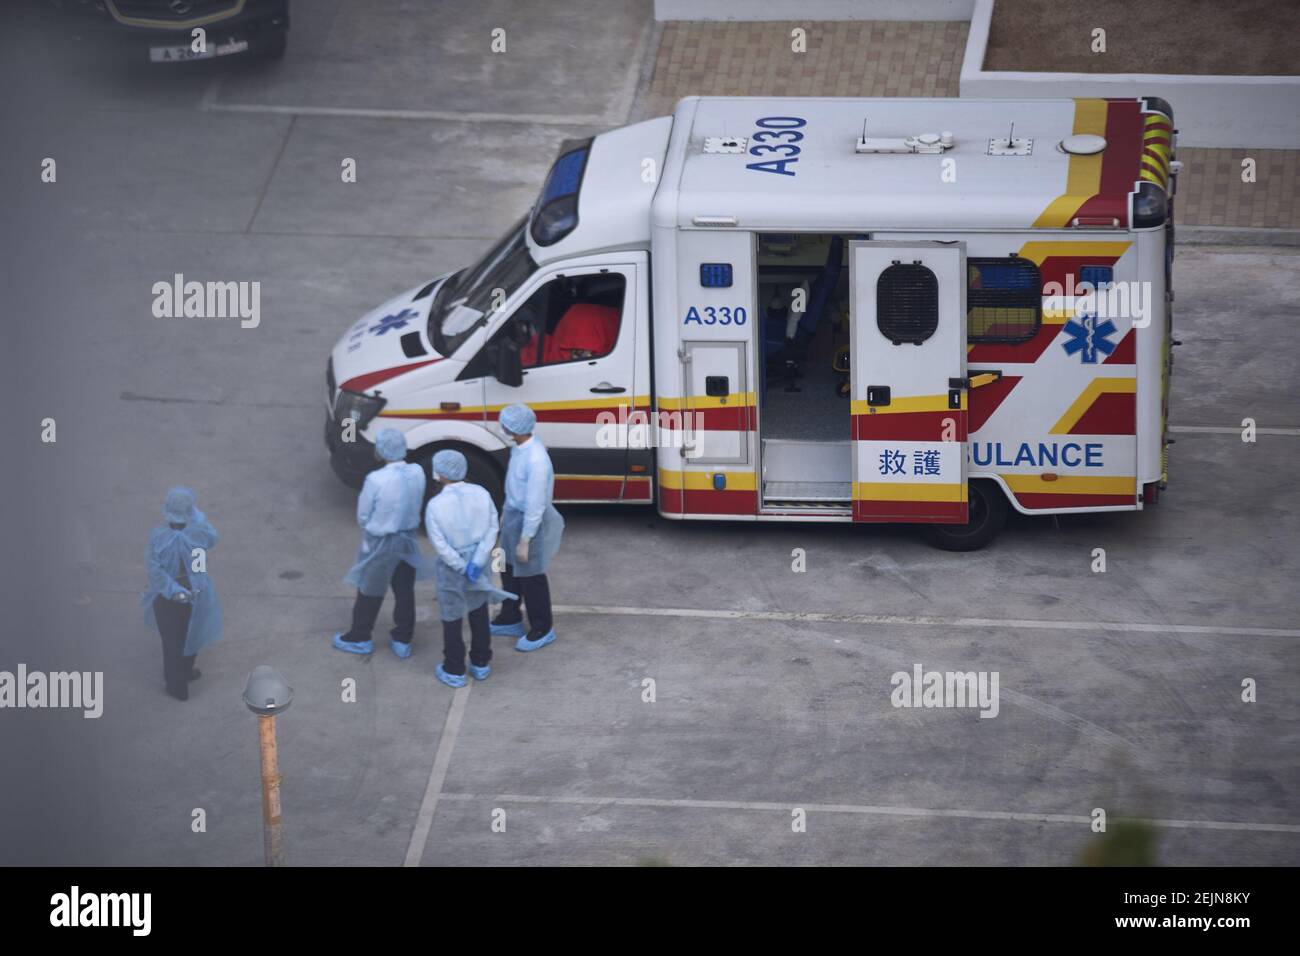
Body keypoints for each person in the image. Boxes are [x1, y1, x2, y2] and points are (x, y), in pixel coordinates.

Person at [424, 450, 516, 688]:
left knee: (452, 617)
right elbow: (492, 527)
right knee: (478, 612)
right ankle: (481, 662)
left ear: (440, 473)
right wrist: (477, 560)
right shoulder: (482, 494)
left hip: (452, 569)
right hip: (480, 561)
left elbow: (440, 544)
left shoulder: (435, 505)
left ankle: (454, 668)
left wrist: (460, 565)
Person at [333, 428, 426, 658]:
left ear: (381, 450)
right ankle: (403, 638)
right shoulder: (417, 472)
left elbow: (363, 515)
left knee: (370, 587)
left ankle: (360, 636)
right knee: (404, 589)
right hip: (407, 540)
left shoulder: (376, 480)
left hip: (382, 542)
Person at [491, 404, 565, 652]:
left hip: (528, 523)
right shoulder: (519, 448)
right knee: (508, 569)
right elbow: (513, 487)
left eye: (504, 424)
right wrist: (504, 516)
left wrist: (526, 539)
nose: (501, 427)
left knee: (532, 577)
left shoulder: (536, 459)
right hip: (514, 517)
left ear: (513, 428)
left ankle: (543, 628)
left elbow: (535, 503)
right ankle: (510, 616)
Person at [142, 487, 222, 701]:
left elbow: (155, 571)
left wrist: (174, 591)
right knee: (191, 636)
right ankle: (183, 675)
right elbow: (213, 537)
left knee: (172, 643)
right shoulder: (198, 535)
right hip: (195, 596)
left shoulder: (158, 537)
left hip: (169, 600)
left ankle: (176, 684)